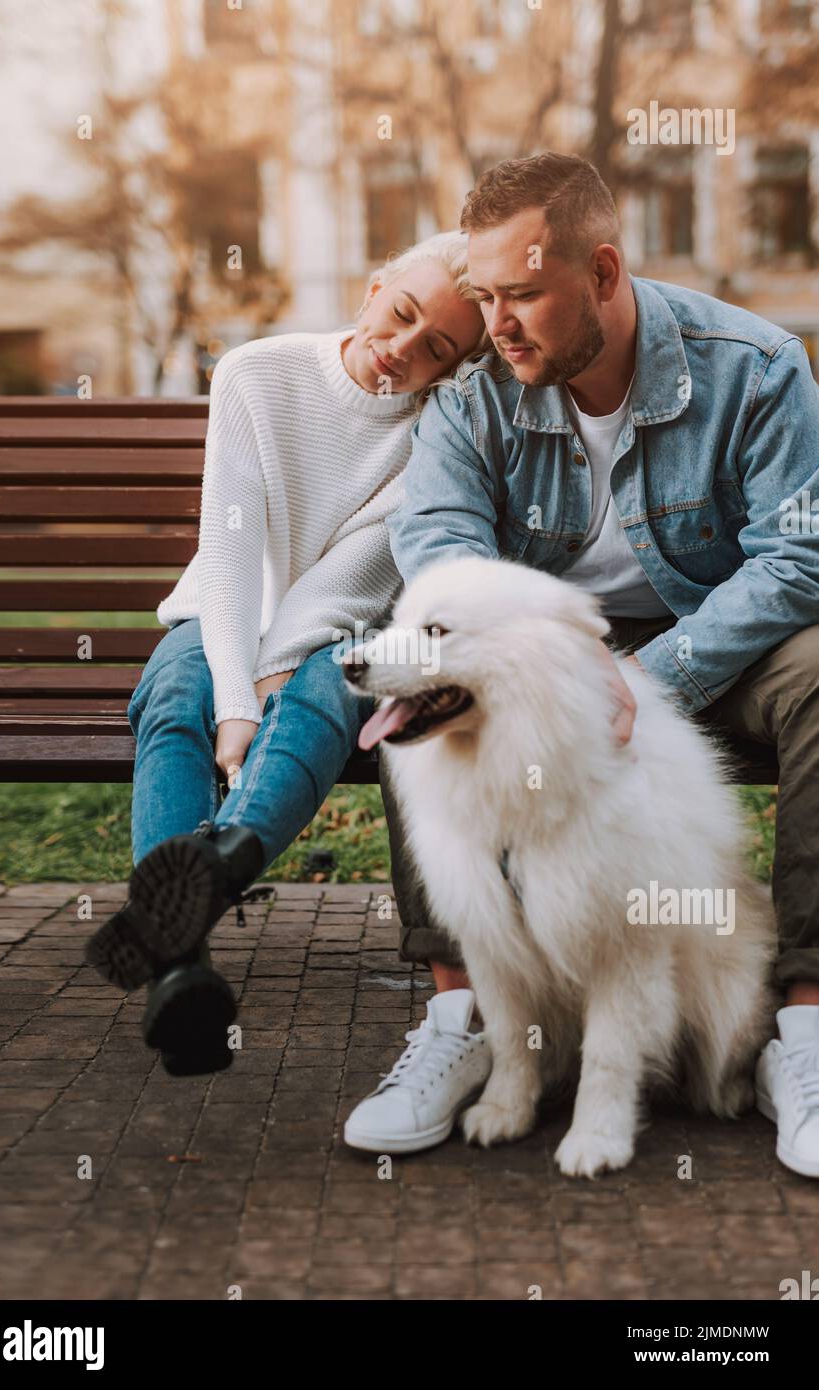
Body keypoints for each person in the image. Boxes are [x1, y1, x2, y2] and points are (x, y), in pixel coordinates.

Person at [343, 153, 819, 1181]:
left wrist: (646, 678)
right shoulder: (475, 400)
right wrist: (545, 654)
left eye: (521, 294)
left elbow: (797, 554)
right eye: (482, 296)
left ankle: (805, 1030)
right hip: (544, 661)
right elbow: (439, 547)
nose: (496, 323)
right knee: (422, 670)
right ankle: (459, 1008)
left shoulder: (755, 364)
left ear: (601, 272)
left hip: (715, 644)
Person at [84, 231, 485, 1076]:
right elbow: (229, 556)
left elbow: (344, 582)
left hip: (331, 626)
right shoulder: (255, 373)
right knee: (174, 703)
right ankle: (180, 969)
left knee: (331, 690)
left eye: (436, 349)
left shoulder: (438, 429)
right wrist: (236, 705)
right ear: (374, 287)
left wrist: (273, 677)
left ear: (454, 367)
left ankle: (187, 905)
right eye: (401, 314)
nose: (402, 349)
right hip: (220, 611)